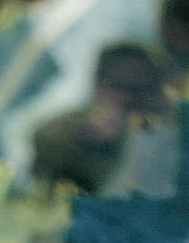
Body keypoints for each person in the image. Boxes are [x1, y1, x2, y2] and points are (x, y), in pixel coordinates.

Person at [29, 43, 168, 192]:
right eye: (119, 85)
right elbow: (45, 153)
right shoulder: (65, 130)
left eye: (141, 88)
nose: (127, 97)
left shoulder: (157, 134)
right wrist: (91, 133)